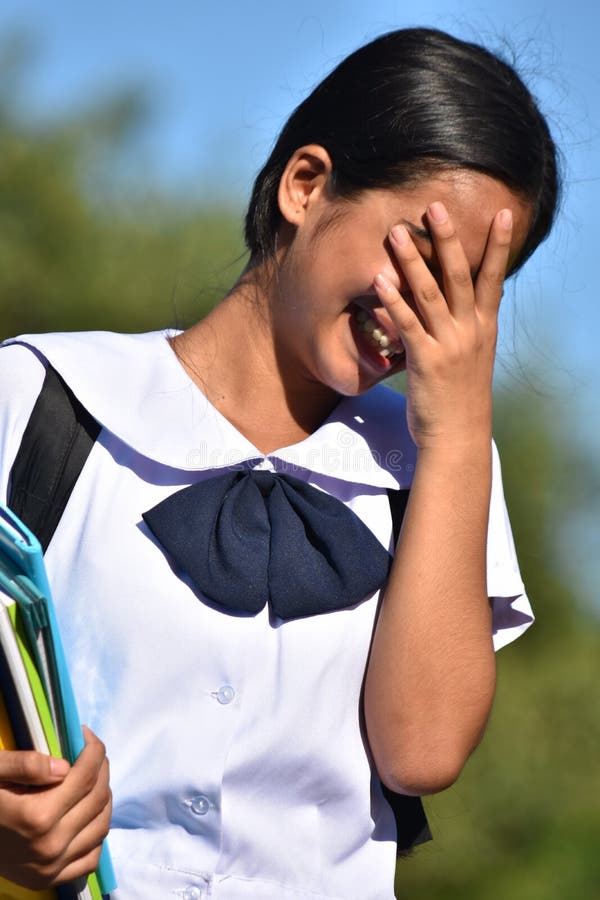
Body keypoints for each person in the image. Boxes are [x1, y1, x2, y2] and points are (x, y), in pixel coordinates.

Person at [0, 26, 558, 900]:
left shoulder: (441, 468)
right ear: (307, 186)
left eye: (473, 287)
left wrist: (455, 436)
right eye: (420, 254)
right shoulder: (38, 398)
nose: (426, 313)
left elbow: (421, 751)